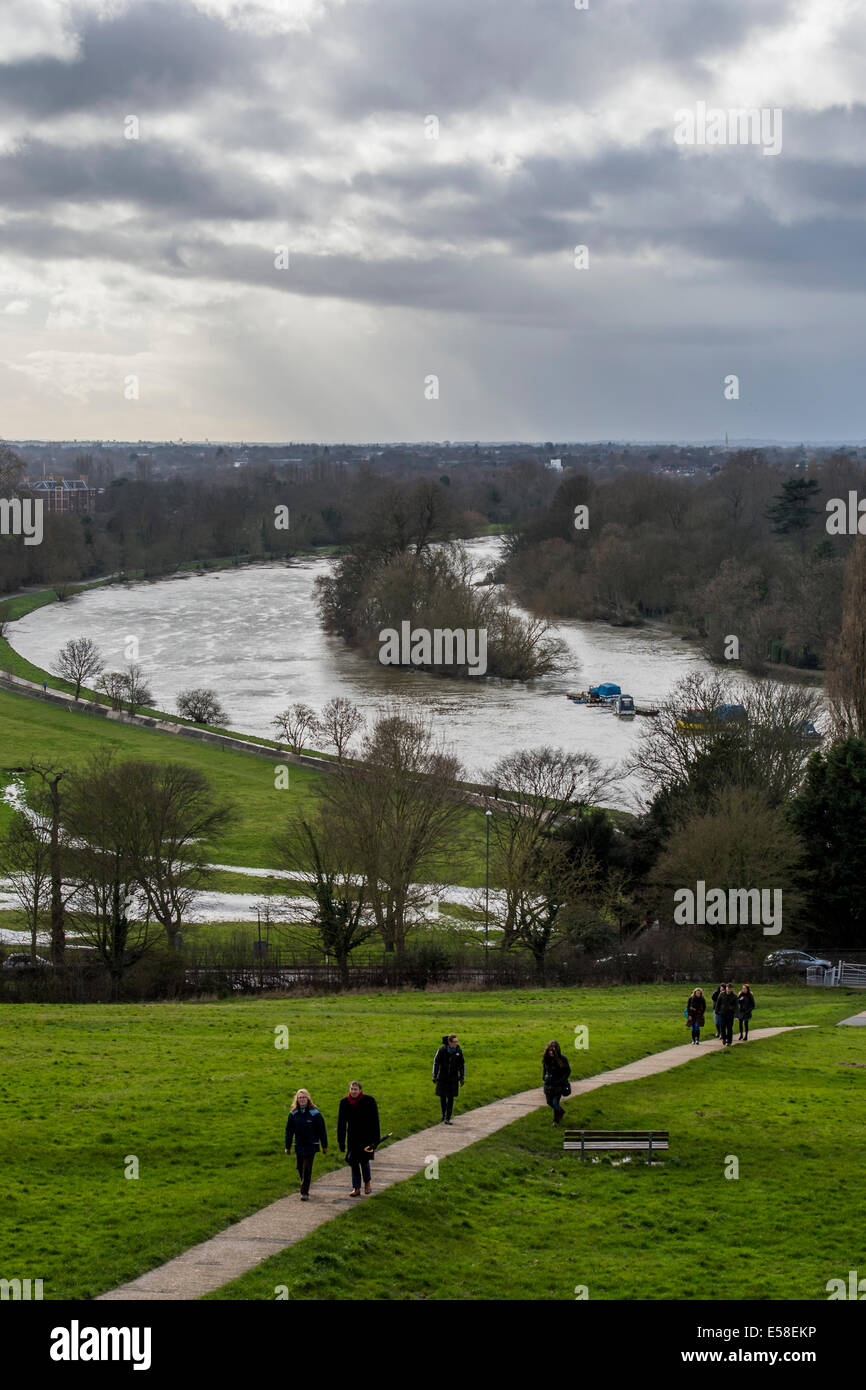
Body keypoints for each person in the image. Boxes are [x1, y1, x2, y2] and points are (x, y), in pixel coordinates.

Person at [337, 1080, 380, 1197]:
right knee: (353, 1162)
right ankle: (356, 1188)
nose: (353, 1091)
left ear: (360, 1090)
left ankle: (367, 1183)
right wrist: (341, 1141)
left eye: (355, 1089)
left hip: (366, 1137)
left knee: (364, 1161)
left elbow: (375, 1121)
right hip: (352, 1138)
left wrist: (375, 1140)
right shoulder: (344, 1103)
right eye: (351, 1089)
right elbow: (341, 1123)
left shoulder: (369, 1101)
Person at [284, 1088, 328, 1201]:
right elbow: (289, 1131)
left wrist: (324, 1145)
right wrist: (287, 1146)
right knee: (300, 1167)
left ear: (308, 1098)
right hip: (299, 1145)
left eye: (304, 1097)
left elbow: (322, 1130)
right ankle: (304, 1182)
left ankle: (304, 1192)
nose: (302, 1099)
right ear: (297, 1100)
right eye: (300, 1098)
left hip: (311, 1145)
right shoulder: (293, 1114)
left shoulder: (315, 1113)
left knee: (307, 1168)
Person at [432, 1033, 465, 1124]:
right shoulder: (442, 1050)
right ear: (449, 1042)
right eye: (455, 1042)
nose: (456, 1043)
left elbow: (462, 1065)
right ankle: (444, 1114)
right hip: (443, 1077)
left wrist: (462, 1077)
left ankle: (447, 1117)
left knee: (451, 1098)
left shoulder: (459, 1051)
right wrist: (435, 1075)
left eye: (457, 1041)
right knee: (442, 1097)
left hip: (453, 1078)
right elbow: (436, 1063)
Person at [542, 1040, 571, 1125]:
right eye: (550, 1051)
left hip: (558, 1086)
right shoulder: (547, 1059)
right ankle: (561, 1112)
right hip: (548, 1085)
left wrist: (561, 1081)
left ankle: (556, 1120)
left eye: (553, 1051)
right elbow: (544, 1069)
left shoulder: (563, 1059)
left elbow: (568, 1071)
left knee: (555, 1103)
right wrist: (544, 1077)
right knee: (549, 1102)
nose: (551, 1053)